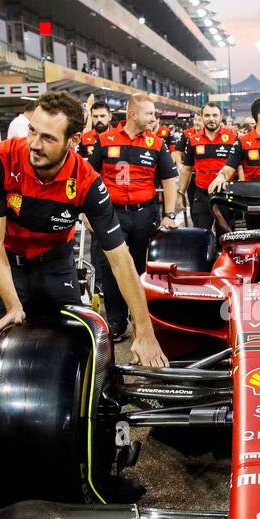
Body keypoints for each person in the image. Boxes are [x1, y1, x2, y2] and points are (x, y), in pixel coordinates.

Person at [0, 90, 167, 365]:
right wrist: (12, 305)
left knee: (75, 348)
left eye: (48, 138)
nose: (34, 144)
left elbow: (119, 259)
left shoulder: (87, 182)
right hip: (9, 265)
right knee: (16, 351)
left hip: (56, 263)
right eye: (33, 131)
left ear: (73, 140)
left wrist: (144, 330)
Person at [86, 92, 178, 340]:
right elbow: (89, 176)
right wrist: (86, 212)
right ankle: (116, 321)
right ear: (133, 114)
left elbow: (170, 178)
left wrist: (169, 213)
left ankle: (142, 319)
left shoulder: (157, 143)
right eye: (149, 113)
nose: (153, 118)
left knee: (140, 267)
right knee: (111, 268)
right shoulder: (104, 140)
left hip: (144, 214)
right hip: (110, 215)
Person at [179, 102, 236, 228]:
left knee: (226, 237)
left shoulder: (233, 138)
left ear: (221, 117)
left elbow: (240, 167)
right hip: (201, 195)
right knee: (200, 236)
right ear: (202, 117)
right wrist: (181, 193)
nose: (211, 119)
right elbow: (187, 169)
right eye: (207, 115)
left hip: (226, 194)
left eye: (215, 115)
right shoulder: (193, 140)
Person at [77, 95, 113, 164]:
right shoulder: (84, 138)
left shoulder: (119, 137)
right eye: (95, 116)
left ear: (110, 116)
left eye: (102, 116)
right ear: (91, 117)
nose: (99, 119)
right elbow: (79, 162)